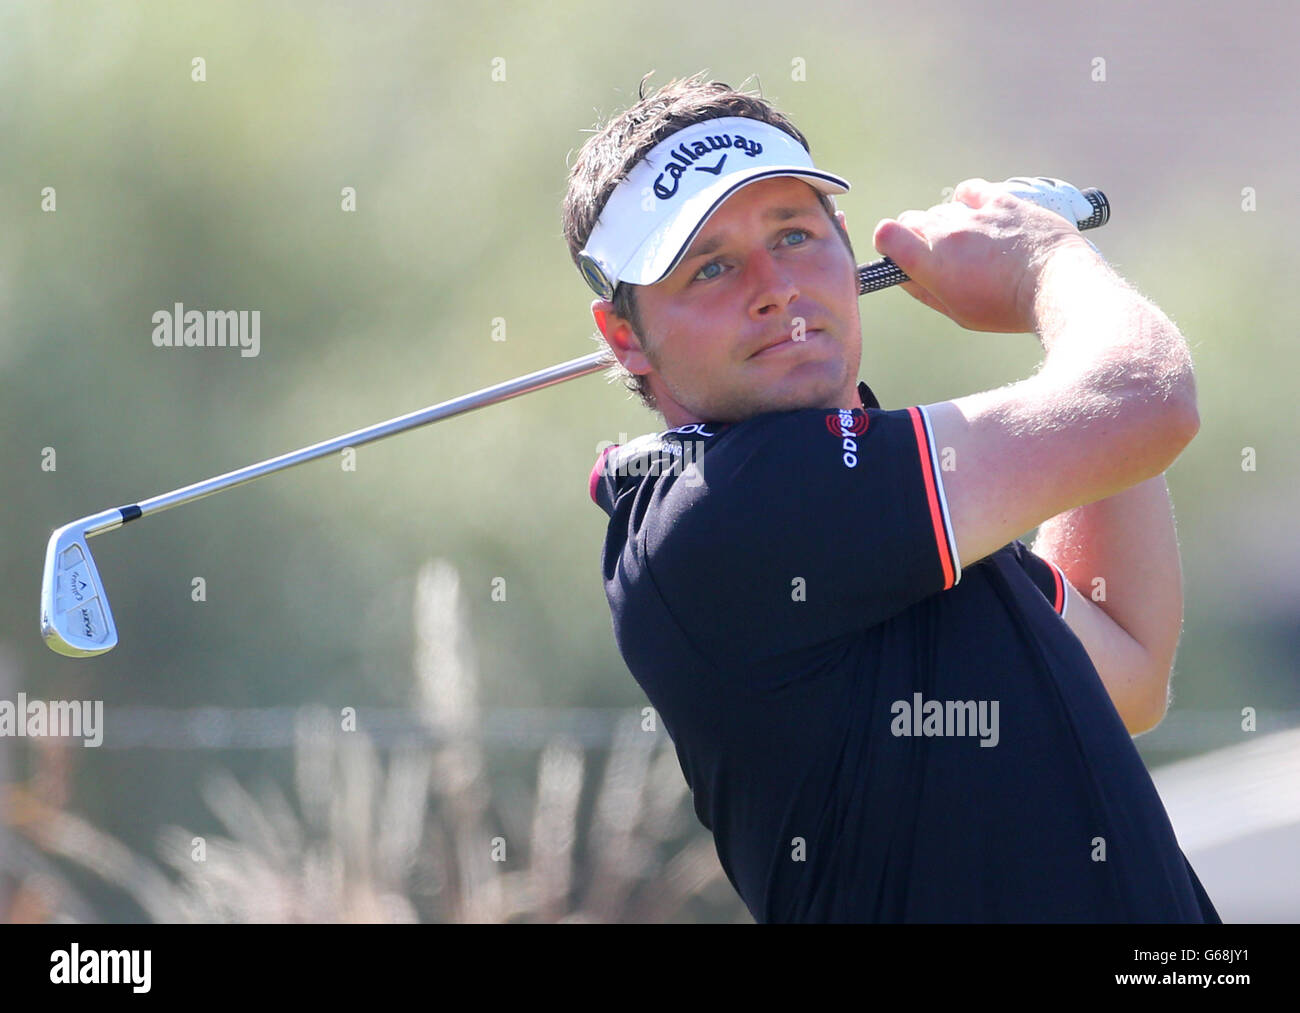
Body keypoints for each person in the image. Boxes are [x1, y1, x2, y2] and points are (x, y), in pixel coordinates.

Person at [562, 72, 1220, 923]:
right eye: (710, 266)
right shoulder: (725, 505)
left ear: (845, 244)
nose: (774, 286)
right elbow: (1146, 401)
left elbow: (1127, 667)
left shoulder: (876, 504)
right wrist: (1050, 264)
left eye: (794, 234)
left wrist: (1054, 304)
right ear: (625, 336)